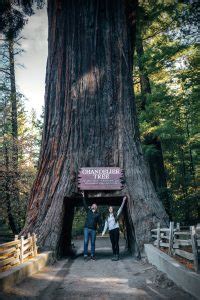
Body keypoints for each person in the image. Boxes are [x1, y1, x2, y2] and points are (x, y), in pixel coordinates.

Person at [102, 196, 127, 261]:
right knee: (113, 243)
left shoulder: (116, 214)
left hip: (116, 229)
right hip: (110, 231)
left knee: (116, 242)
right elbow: (106, 225)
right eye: (109, 208)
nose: (110, 209)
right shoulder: (107, 217)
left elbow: (121, 208)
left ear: (113, 209)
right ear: (108, 210)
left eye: (111, 208)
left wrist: (123, 200)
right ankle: (114, 255)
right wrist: (103, 232)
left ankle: (117, 255)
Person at [81, 191, 101, 261]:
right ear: (92, 206)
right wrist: (83, 196)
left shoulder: (98, 214)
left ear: (96, 207)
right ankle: (85, 255)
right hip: (86, 228)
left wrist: (100, 229)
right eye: (93, 205)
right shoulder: (88, 211)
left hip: (93, 230)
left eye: (95, 206)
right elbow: (84, 204)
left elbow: (100, 222)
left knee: (93, 242)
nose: (94, 206)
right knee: (86, 241)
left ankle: (92, 255)